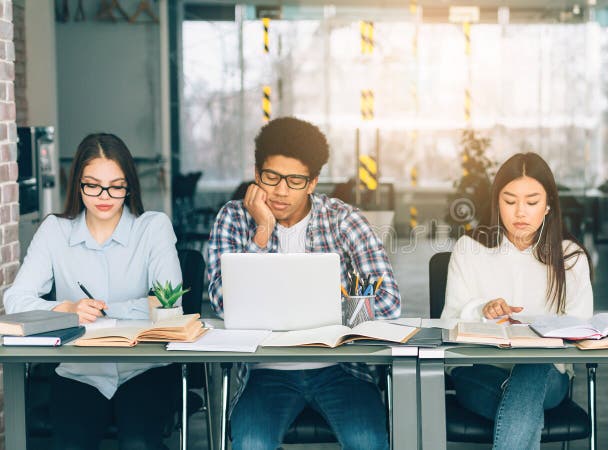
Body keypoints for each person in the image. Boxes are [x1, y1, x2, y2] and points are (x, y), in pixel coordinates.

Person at [206, 117, 401, 450]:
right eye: (272, 177)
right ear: (257, 175)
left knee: (367, 442)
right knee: (250, 444)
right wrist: (263, 232)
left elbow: (389, 301)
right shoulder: (233, 217)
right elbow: (224, 304)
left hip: (341, 368)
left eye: (295, 180)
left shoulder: (343, 218)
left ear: (312, 183)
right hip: (264, 370)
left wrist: (324, 312)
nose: (281, 191)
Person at [4, 133, 182, 450]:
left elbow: (169, 303)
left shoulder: (153, 227)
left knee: (138, 443)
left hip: (142, 368)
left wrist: (106, 310)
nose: (104, 195)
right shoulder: (55, 230)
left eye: (116, 185)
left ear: (129, 185)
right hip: (78, 371)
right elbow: (16, 301)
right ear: (78, 184)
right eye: (92, 184)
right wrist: (65, 309)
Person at [441, 152, 593, 449]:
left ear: (549, 205)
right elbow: (449, 324)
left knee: (532, 368)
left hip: (547, 374)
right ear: (497, 202)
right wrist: (482, 310)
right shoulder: (469, 248)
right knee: (522, 398)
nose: (520, 212)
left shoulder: (570, 256)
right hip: (480, 371)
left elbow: (581, 330)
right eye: (509, 202)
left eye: (532, 202)